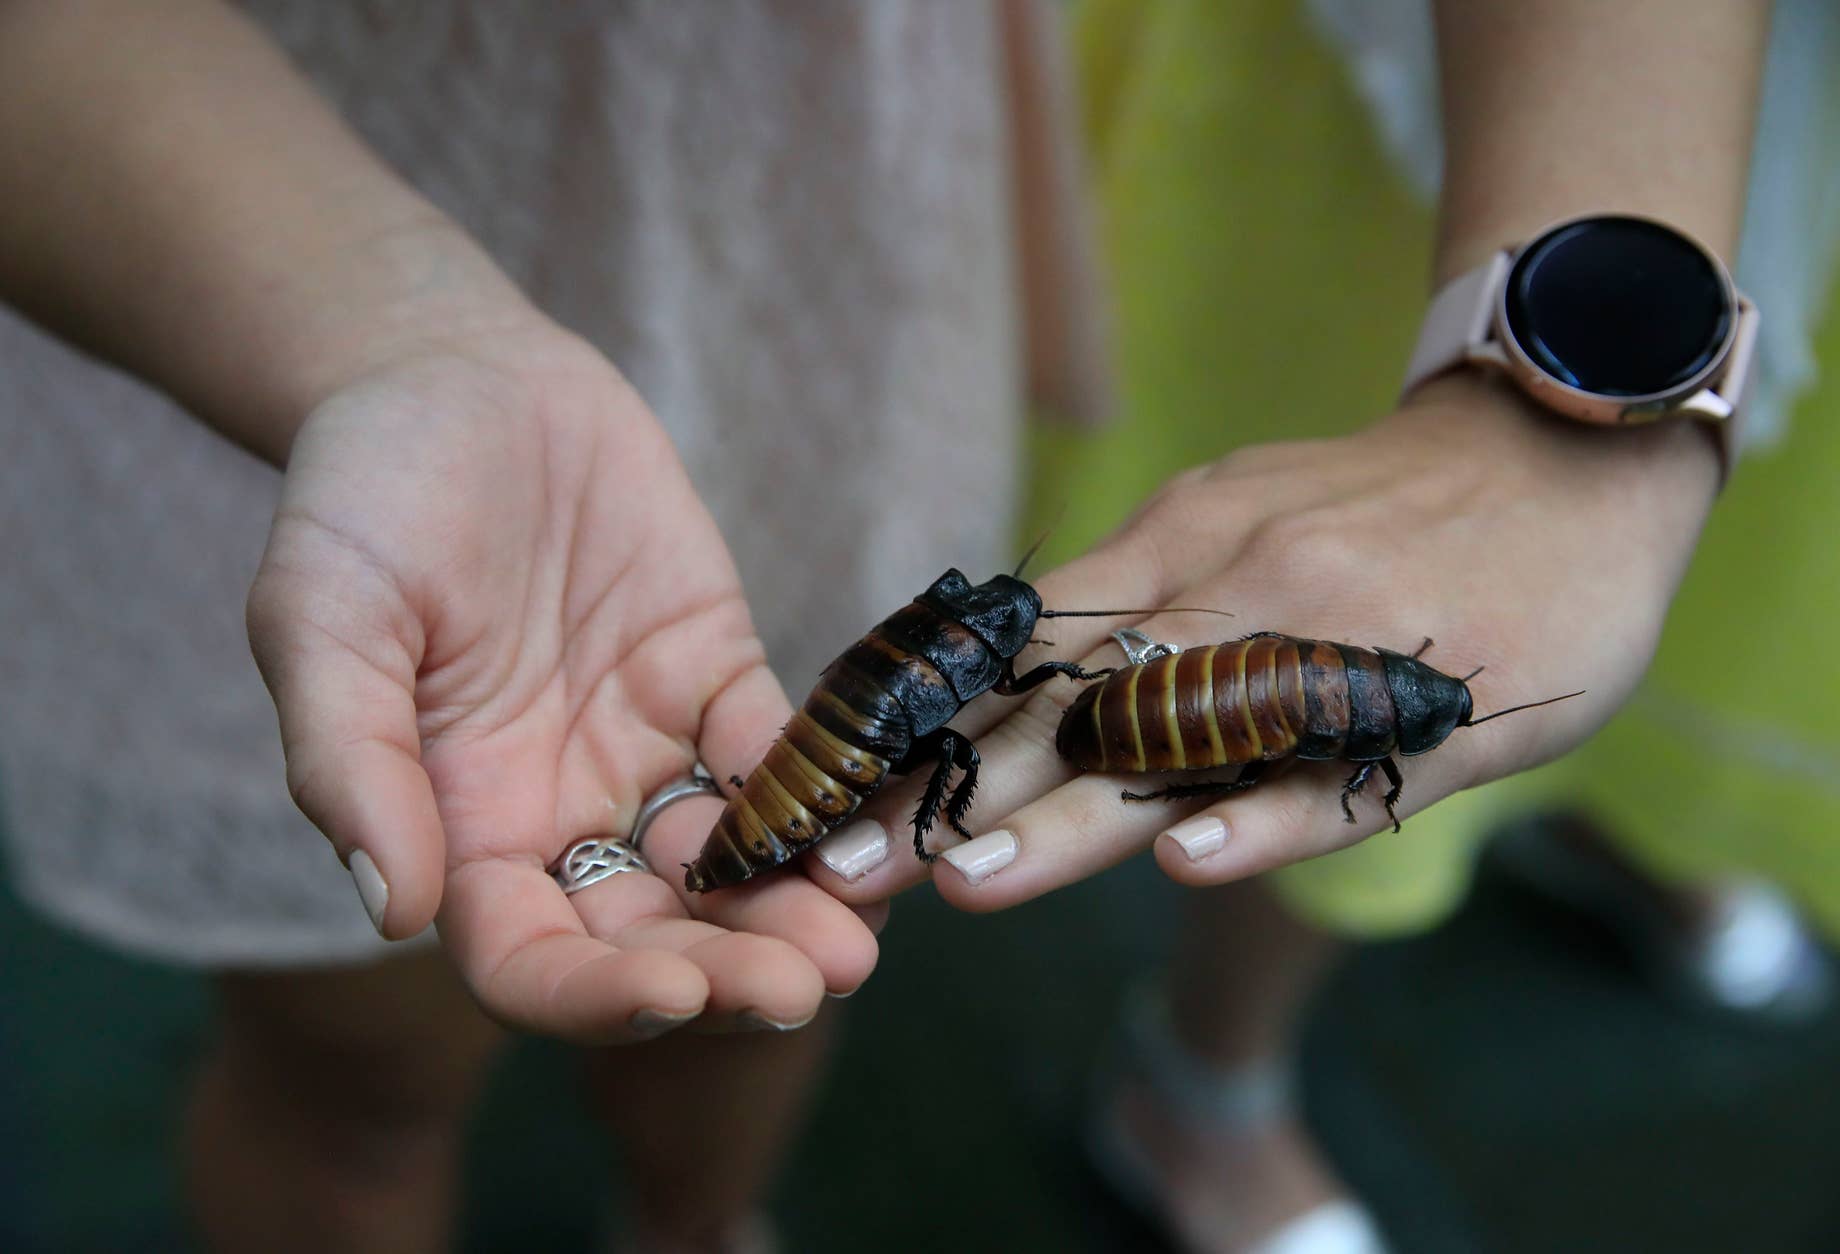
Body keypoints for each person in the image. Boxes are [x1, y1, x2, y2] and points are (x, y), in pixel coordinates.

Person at [0, 3, 1795, 1253]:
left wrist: (1558, 374)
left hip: (843, 268)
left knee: (752, 1006)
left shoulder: (970, 662)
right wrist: (377, 340)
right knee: (358, 1056)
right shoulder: (982, 675)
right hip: (194, 232)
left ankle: (700, 1216)